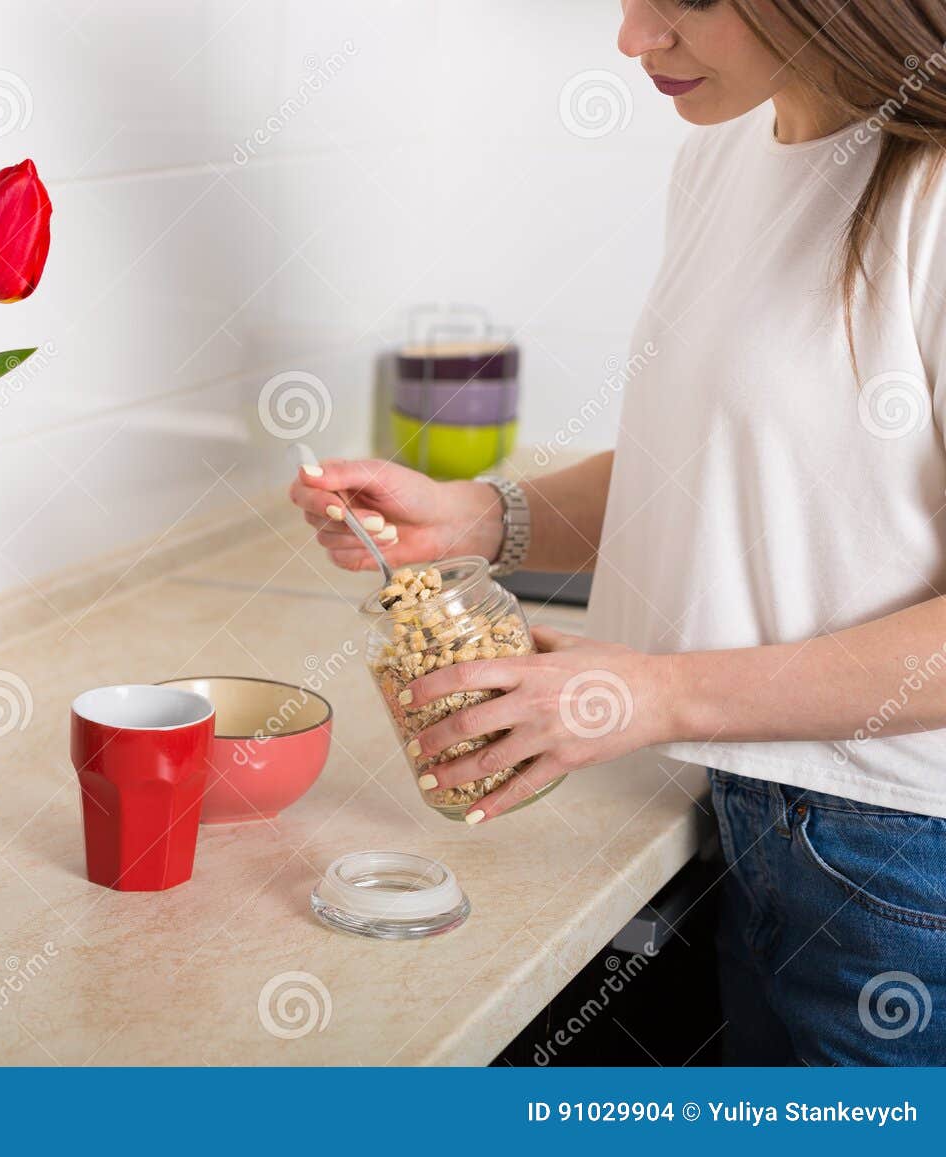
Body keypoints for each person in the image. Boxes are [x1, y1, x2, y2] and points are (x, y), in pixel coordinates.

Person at [292, 0, 946, 1065]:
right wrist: (478, 517)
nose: (632, 38)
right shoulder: (730, 149)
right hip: (758, 803)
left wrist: (651, 692)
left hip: (907, 862)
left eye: (687, 0)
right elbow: (720, 473)